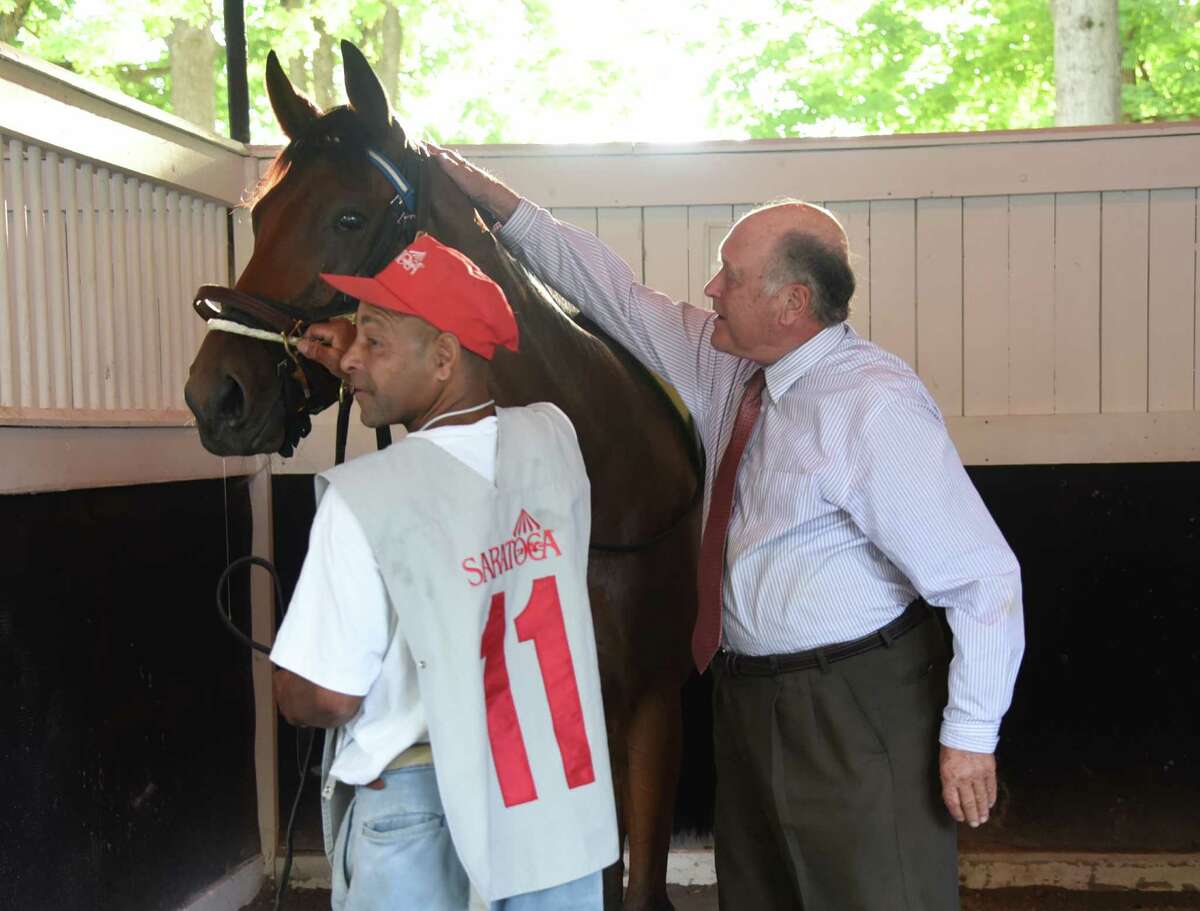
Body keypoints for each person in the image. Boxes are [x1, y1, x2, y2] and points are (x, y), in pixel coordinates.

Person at [430, 147, 1025, 911]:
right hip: (746, 699)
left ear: (792, 303)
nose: (711, 288)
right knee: (759, 896)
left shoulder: (871, 406)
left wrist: (971, 733)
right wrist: (496, 204)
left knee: (875, 895)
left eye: (731, 276)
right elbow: (612, 292)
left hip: (852, 705)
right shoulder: (729, 370)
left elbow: (983, 578)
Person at [270, 233, 618, 911]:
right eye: (354, 339)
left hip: (417, 811)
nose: (352, 361)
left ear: (444, 357)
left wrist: (288, 687)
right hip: (551, 795)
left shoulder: (364, 496)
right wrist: (380, 342)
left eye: (374, 342)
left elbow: (330, 695)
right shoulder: (553, 440)